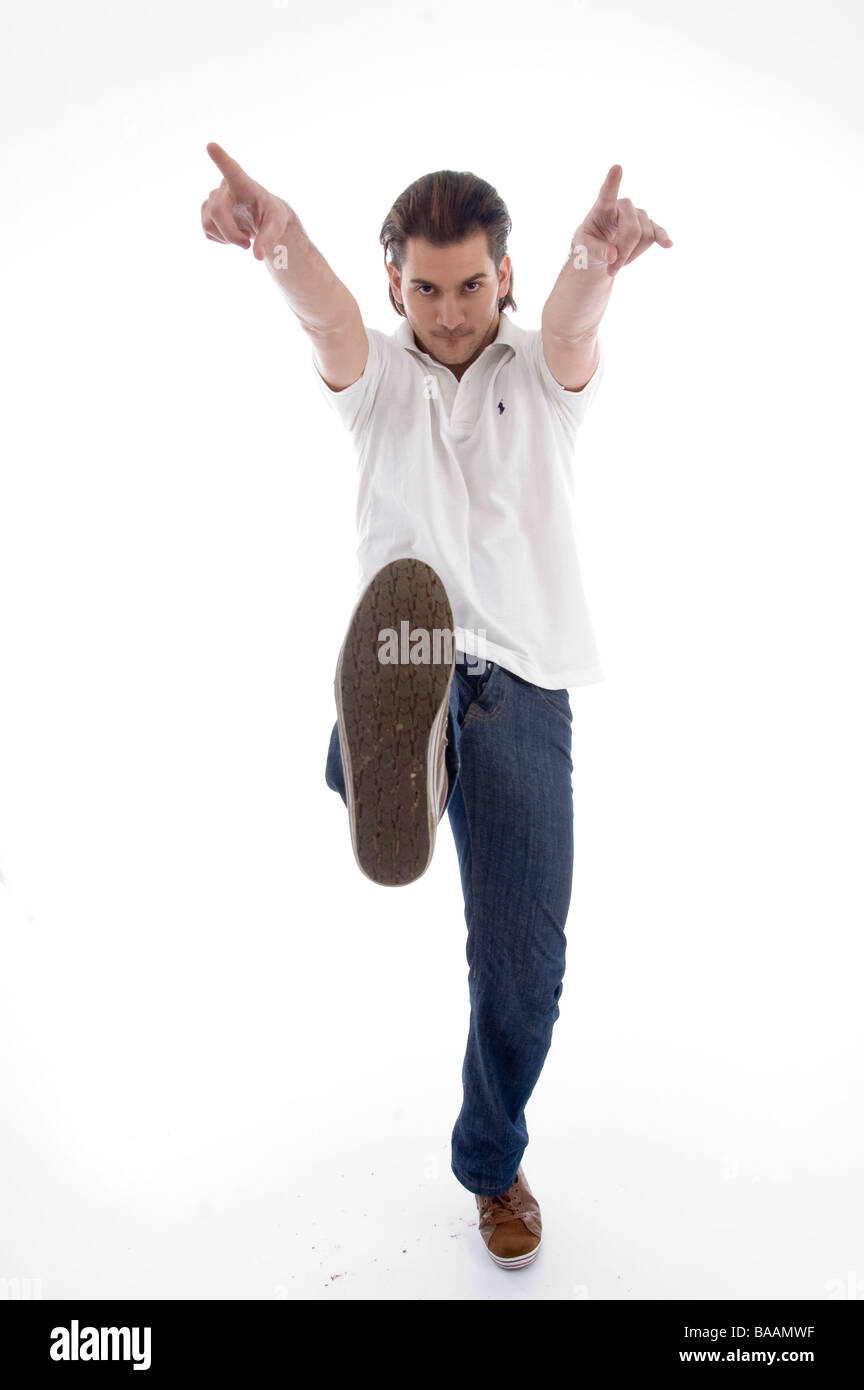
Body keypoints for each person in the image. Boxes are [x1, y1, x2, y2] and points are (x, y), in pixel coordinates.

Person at [201, 146, 672, 1270]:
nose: (450, 312)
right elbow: (322, 319)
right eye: (425, 288)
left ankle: (490, 1156)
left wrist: (593, 262)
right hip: (409, 653)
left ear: (502, 275)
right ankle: (394, 752)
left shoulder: (541, 373)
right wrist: (278, 243)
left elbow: (570, 325)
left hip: (523, 689)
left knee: (524, 965)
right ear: (395, 285)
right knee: (411, 654)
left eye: (470, 286)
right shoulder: (378, 384)